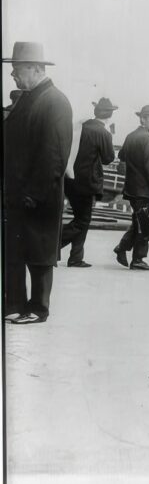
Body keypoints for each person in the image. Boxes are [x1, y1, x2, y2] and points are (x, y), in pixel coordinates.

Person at [3, 41, 73, 324]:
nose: (13, 76)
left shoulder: (55, 101)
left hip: (38, 195)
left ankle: (38, 308)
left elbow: (55, 155)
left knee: (39, 254)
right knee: (17, 250)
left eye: (17, 70)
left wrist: (34, 193)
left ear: (37, 68)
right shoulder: (31, 98)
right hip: (20, 194)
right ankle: (15, 305)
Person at [60, 97, 118, 267]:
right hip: (87, 183)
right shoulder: (103, 133)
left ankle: (76, 258)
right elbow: (108, 159)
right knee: (82, 220)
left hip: (70, 179)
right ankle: (49, 247)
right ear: (109, 116)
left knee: (81, 218)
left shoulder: (81, 126)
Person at [113, 105, 149, 270]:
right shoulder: (148, 139)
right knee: (145, 224)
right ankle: (138, 259)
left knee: (138, 221)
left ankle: (122, 247)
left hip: (131, 189)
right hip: (144, 191)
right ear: (142, 119)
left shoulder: (131, 136)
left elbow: (121, 156)